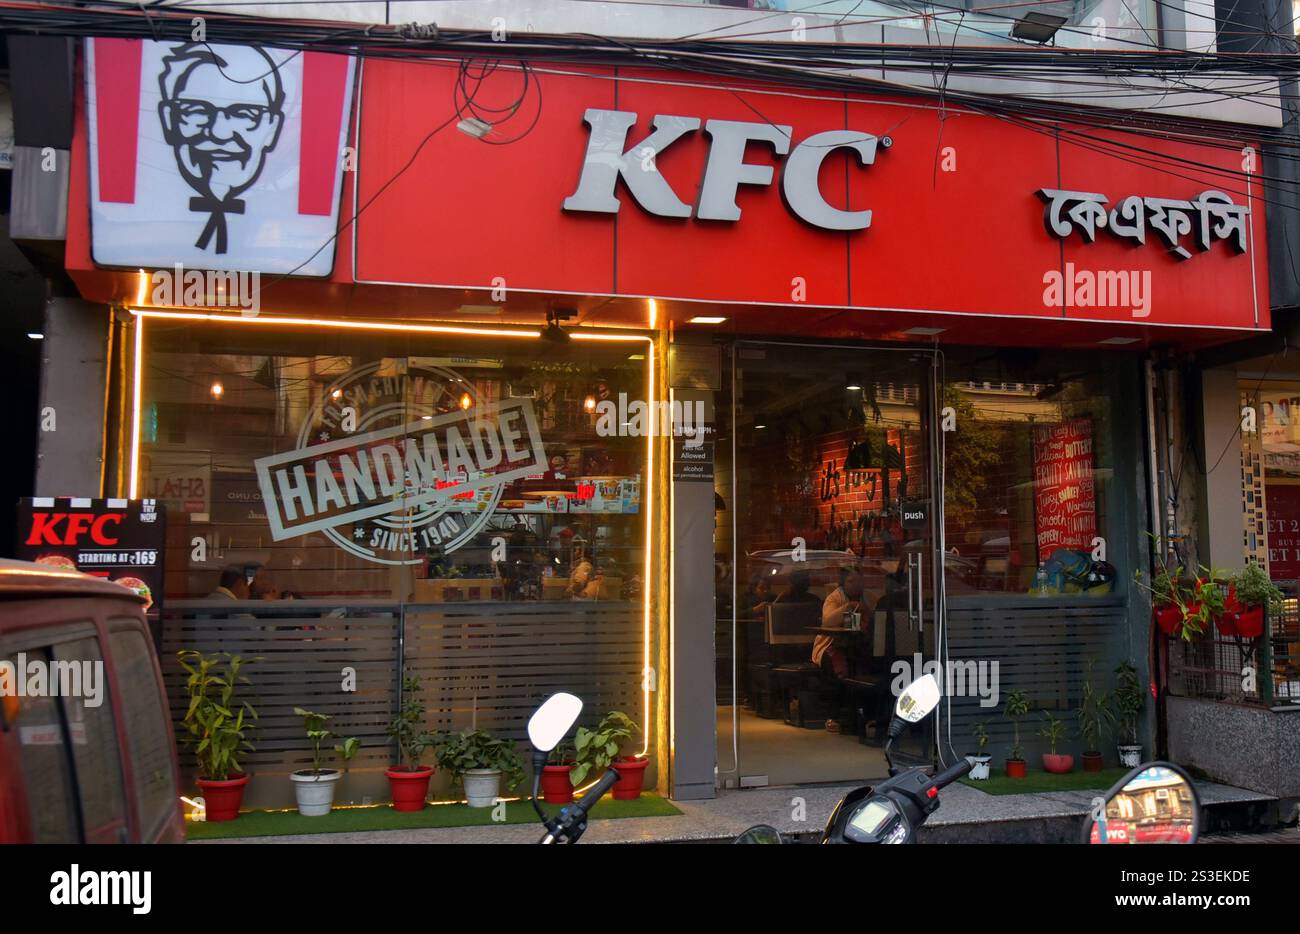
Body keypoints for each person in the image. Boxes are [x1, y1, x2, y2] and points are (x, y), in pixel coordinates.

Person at [812, 566, 867, 678]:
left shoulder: (868, 597)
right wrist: (849, 606)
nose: (856, 585)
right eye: (851, 581)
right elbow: (827, 621)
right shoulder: (834, 598)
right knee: (838, 663)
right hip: (831, 646)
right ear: (843, 583)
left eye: (859, 581)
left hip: (860, 645)